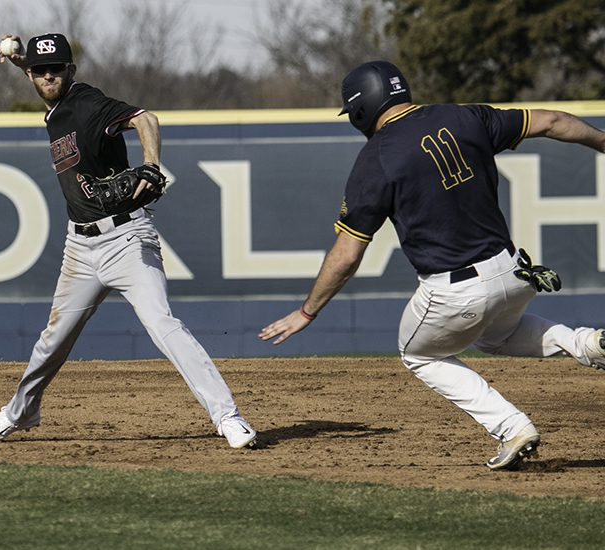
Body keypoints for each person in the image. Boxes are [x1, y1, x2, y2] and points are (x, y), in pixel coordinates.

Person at [259, 60, 605, 470]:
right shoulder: (465, 116)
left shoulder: (376, 158)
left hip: (457, 289)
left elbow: (347, 255)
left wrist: (307, 311)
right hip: (514, 270)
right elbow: (553, 121)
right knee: (497, 336)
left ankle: (512, 427)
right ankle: (586, 344)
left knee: (418, 354)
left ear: (360, 110)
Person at [0, 33, 257, 448]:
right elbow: (44, 82)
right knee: (53, 340)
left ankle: (227, 416)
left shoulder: (87, 102)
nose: (48, 76)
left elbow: (146, 119)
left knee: (161, 323)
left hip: (126, 239)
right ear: (31, 74)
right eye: (40, 70)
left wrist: (151, 165)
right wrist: (20, 60)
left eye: (56, 69)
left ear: (71, 70)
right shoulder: (54, 103)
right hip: (80, 248)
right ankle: (21, 413)